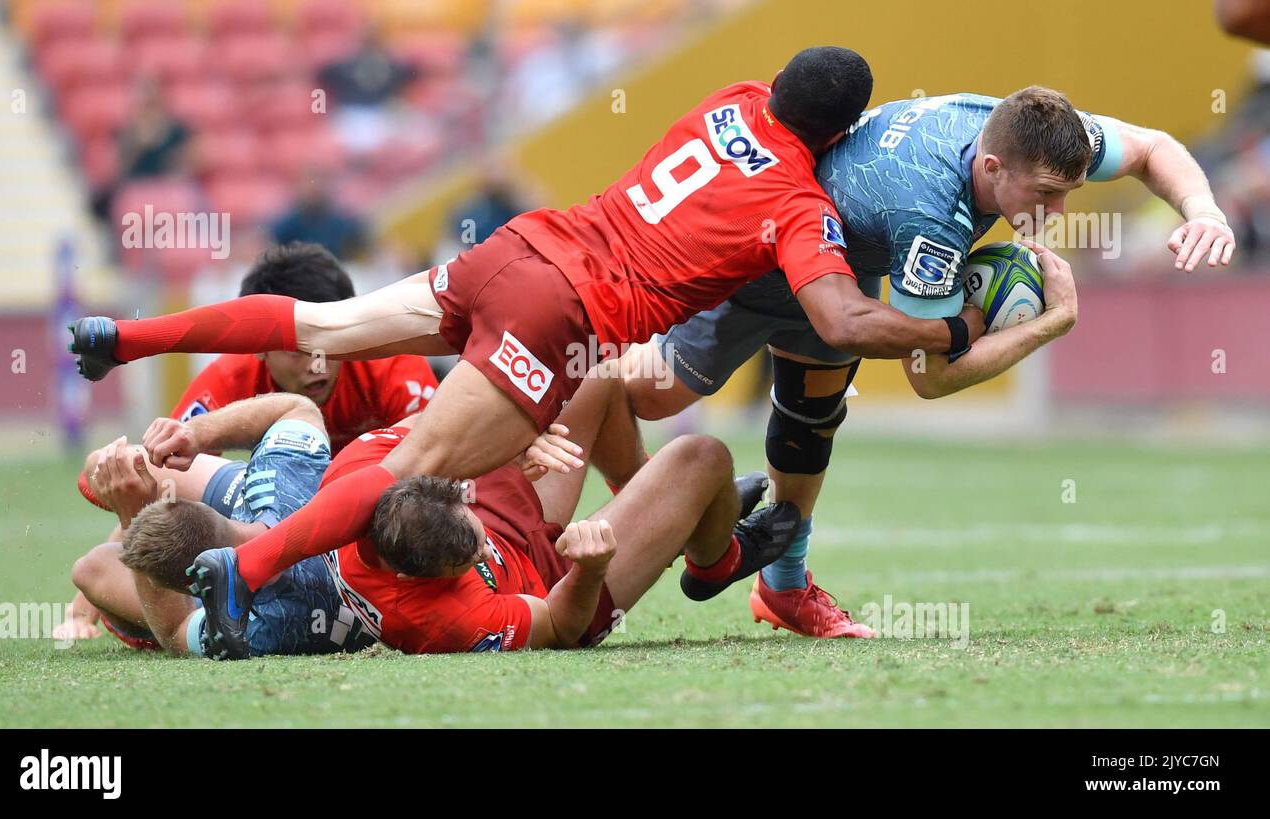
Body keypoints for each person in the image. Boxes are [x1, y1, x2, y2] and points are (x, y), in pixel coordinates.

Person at [69, 47, 1000, 655]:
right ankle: (250, 566)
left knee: (322, 329)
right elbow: (839, 321)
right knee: (413, 458)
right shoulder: (798, 201)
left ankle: (126, 337)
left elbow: (116, 560)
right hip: (562, 310)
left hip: (522, 246)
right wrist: (958, 327)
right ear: (836, 134)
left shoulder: (736, 99)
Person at [613, 87, 1237, 637]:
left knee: (810, 421)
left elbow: (1154, 147)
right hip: (766, 253)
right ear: (991, 167)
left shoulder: (1029, 129)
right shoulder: (931, 214)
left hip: (840, 259)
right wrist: (1051, 324)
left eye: (1067, 193)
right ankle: (563, 419)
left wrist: (1203, 211)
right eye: (1046, 195)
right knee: (649, 393)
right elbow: (930, 378)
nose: (1058, 215)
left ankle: (783, 587)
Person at [189, 369, 829, 658]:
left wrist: (514, 439)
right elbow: (561, 627)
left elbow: (449, 424)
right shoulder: (443, 621)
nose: (480, 554)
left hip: (508, 510)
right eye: (473, 559)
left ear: (446, 489)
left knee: (591, 372)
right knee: (701, 456)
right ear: (429, 578)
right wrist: (589, 567)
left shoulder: (366, 470)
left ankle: (685, 527)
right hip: (559, 583)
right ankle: (719, 557)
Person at [55, 243, 437, 641]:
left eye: (328, 343)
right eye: (297, 349)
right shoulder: (231, 382)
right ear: (258, 346)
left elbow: (442, 469)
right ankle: (238, 563)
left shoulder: (394, 368)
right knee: (118, 483)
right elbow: (145, 482)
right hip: (278, 518)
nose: (316, 364)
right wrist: (81, 612)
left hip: (365, 528)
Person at [70, 392, 374, 656]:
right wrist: (195, 435)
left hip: (263, 578)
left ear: (197, 589)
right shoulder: (283, 473)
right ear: (211, 512)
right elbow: (299, 408)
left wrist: (135, 513)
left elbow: (175, 629)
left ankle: (130, 611)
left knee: (91, 568)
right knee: (106, 466)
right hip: (279, 509)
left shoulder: (261, 623)